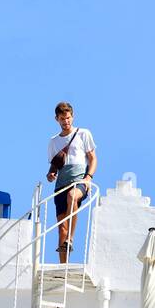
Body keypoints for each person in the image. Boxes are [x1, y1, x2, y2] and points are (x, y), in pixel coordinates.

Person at [45, 101, 97, 262]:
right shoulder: (53, 141)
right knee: (61, 229)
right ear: (57, 119)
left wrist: (88, 177)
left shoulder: (83, 133)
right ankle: (63, 267)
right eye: (62, 119)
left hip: (79, 180)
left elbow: (93, 158)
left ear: (72, 117)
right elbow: (53, 167)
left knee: (72, 197)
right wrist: (50, 175)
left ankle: (71, 239)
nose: (65, 122)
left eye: (68, 118)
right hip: (61, 183)